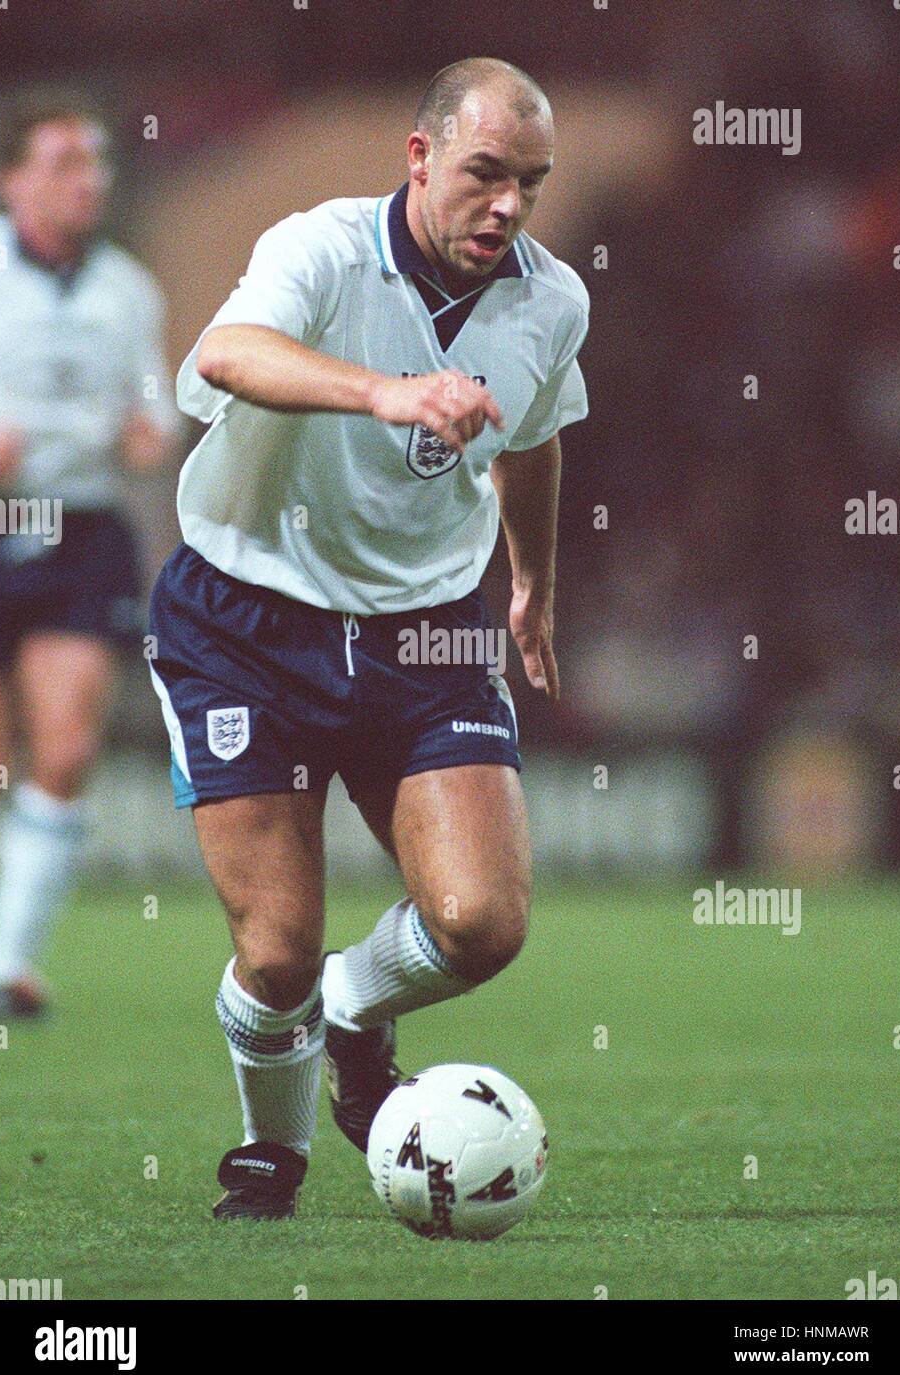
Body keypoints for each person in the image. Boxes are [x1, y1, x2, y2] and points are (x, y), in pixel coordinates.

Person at [148, 57, 589, 1218]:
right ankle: (271, 1157)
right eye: (485, 174)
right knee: (275, 953)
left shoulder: (551, 300)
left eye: (529, 185)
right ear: (420, 155)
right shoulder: (323, 248)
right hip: (246, 616)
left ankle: (351, 1008)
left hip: (427, 630)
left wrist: (532, 580)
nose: (506, 206)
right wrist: (385, 393)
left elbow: (535, 437)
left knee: (481, 924)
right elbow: (227, 357)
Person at [0, 91, 176, 1018]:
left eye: (97, 160)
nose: (88, 178)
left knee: (62, 748)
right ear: (12, 178)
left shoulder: (128, 289)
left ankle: (6, 963)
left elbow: (157, 411)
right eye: (63, 160)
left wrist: (149, 433)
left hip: (82, 527)